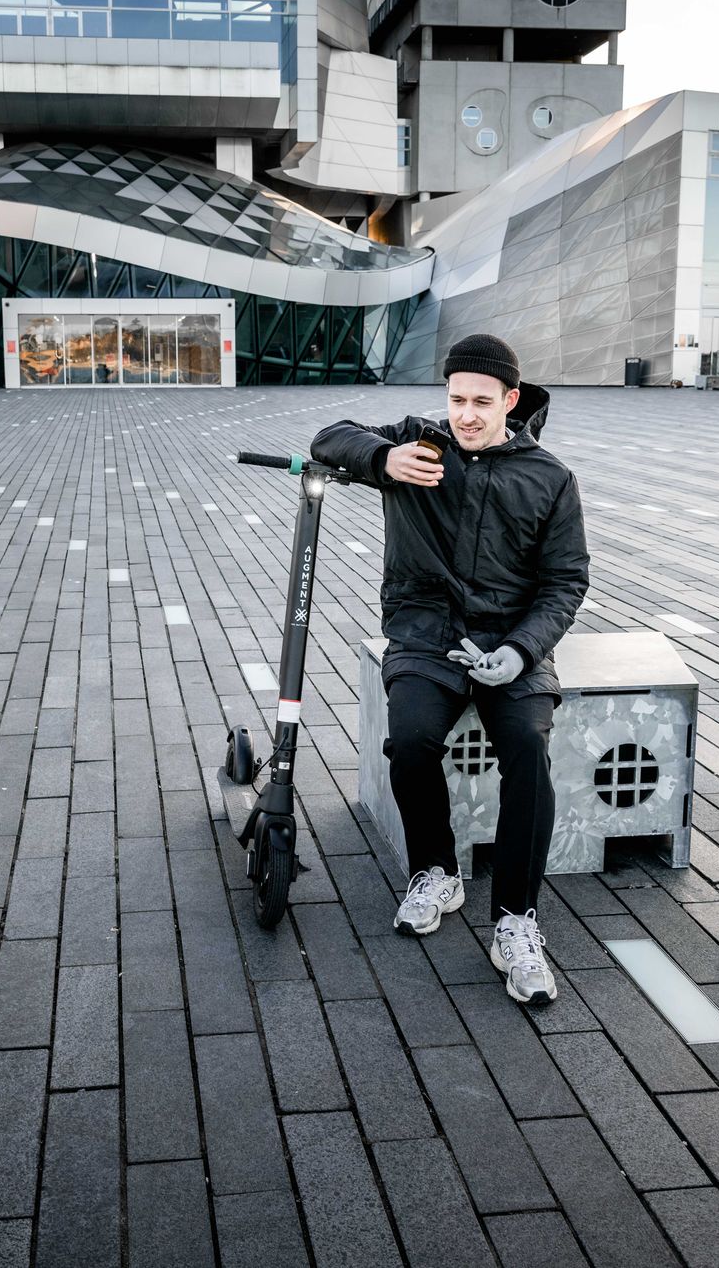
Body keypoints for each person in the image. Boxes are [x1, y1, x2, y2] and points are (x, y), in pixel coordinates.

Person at [311, 334, 588, 1005]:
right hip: (426, 637)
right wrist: (384, 457)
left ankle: (516, 920)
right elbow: (328, 438)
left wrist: (521, 651)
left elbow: (565, 582)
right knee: (410, 741)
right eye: (457, 398)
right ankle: (436, 871)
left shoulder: (548, 478)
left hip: (510, 643)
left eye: (481, 402)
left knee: (526, 744)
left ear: (511, 401)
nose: (466, 413)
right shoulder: (417, 444)